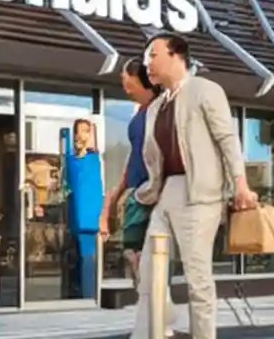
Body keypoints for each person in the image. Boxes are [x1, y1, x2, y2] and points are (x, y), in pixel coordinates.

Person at [131, 33, 258, 339]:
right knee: (149, 272)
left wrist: (240, 184)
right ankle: (154, 332)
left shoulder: (205, 90)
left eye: (153, 55)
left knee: (197, 278)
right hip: (167, 194)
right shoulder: (156, 107)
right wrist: (146, 191)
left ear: (176, 55)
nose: (147, 64)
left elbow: (227, 139)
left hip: (200, 193)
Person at [100, 57, 183, 337]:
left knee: (153, 257)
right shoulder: (140, 114)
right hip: (137, 195)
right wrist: (116, 193)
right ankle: (157, 313)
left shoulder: (163, 111)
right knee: (134, 254)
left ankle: (160, 321)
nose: (125, 87)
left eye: (127, 81)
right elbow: (134, 157)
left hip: (156, 195)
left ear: (142, 80)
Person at [64, 117, 103, 299]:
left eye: (87, 131)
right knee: (80, 258)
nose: (84, 135)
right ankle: (83, 293)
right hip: (79, 217)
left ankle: (89, 295)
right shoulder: (72, 159)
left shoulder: (93, 159)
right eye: (81, 131)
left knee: (89, 258)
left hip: (90, 218)